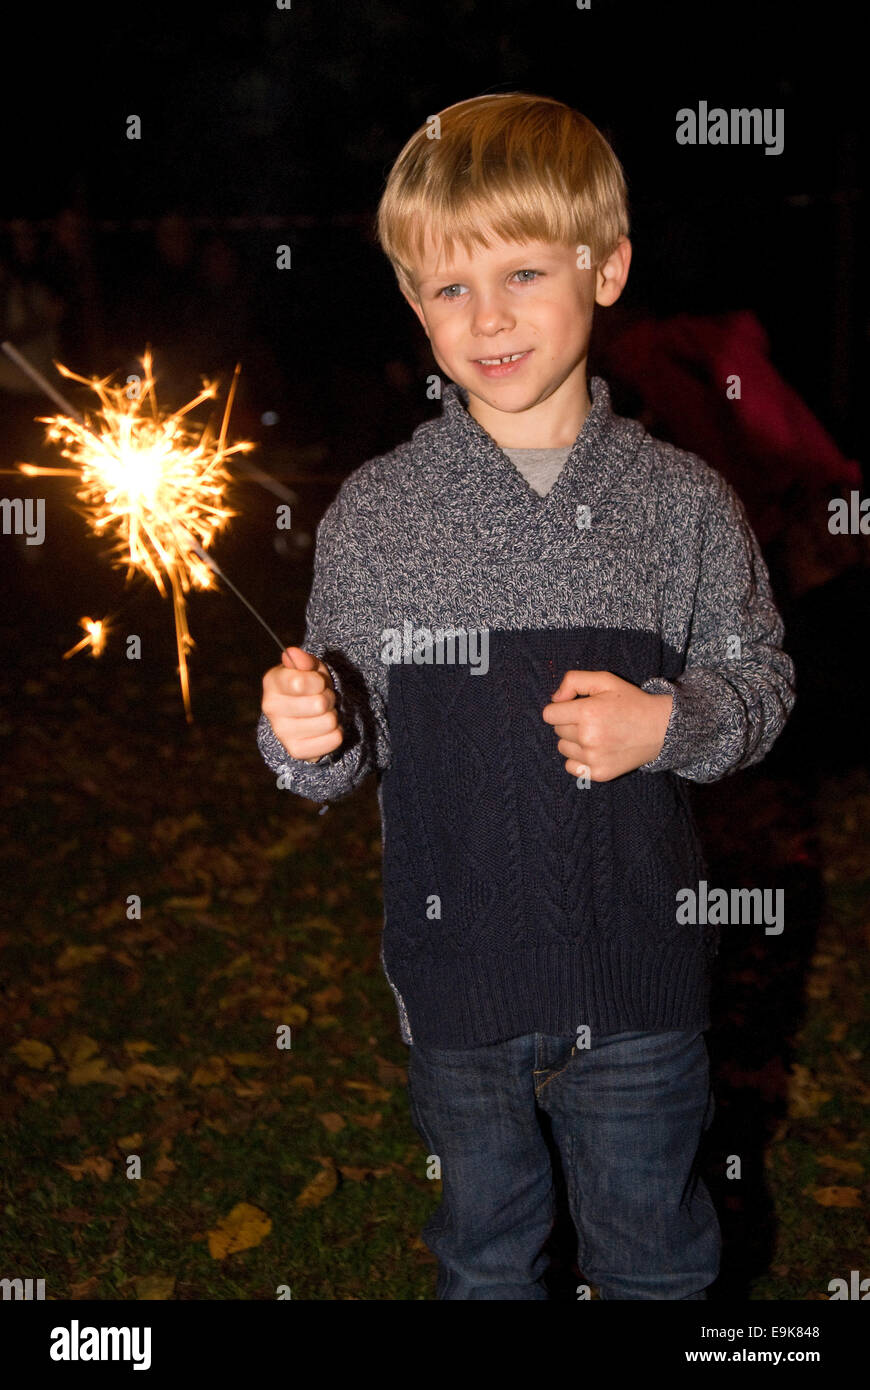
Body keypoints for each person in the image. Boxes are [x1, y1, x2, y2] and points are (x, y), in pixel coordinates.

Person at [256, 92, 796, 1300]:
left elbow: (761, 680)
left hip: (641, 983)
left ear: (607, 270)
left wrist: (674, 721)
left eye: (523, 272)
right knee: (487, 1259)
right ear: (413, 304)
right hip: (461, 989)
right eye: (450, 287)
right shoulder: (381, 513)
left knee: (656, 1255)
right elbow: (338, 742)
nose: (487, 316)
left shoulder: (681, 504)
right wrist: (307, 734)